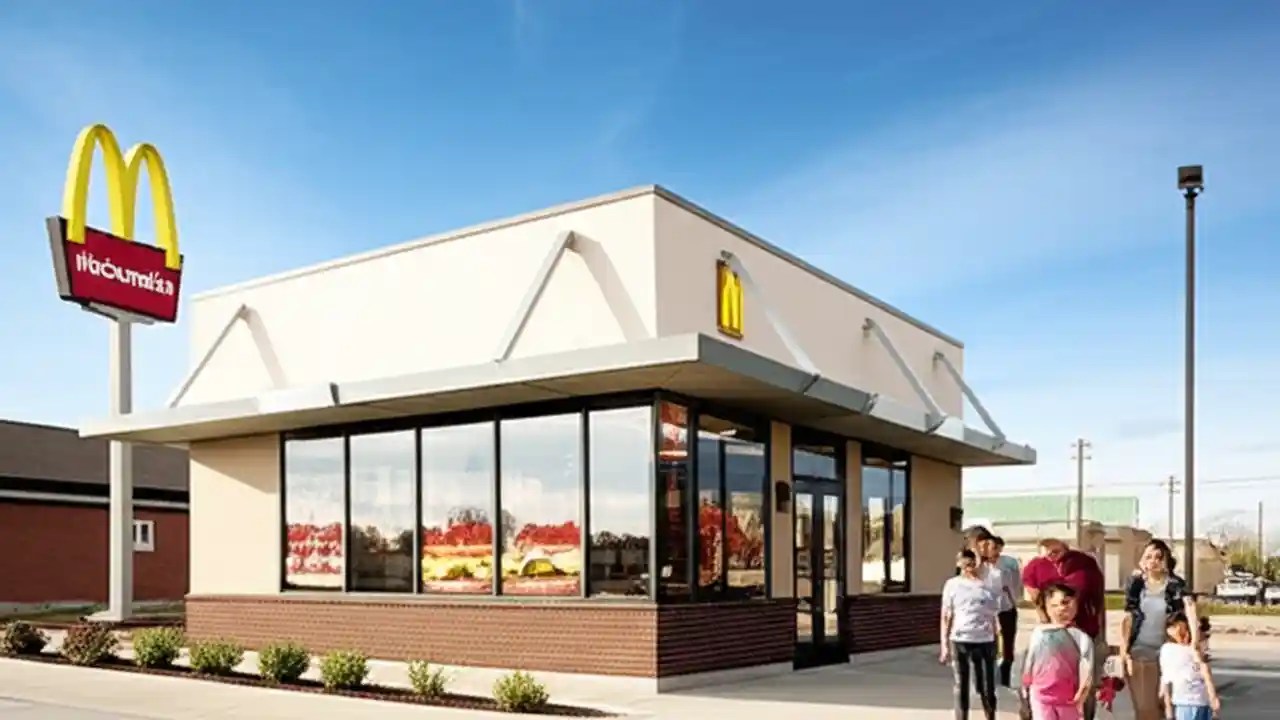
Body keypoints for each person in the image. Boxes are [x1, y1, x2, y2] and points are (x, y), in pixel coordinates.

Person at [1023, 538, 1106, 720]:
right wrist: (1046, 620)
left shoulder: (1085, 563)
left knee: (1084, 678)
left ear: (1064, 546)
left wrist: (1101, 633)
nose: (1050, 553)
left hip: (1084, 627)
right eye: (1045, 548)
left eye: (1054, 548)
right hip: (1052, 631)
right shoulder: (1036, 566)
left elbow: (1098, 600)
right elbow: (1034, 594)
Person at [1120, 539, 1199, 720]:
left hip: (1169, 651)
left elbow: (1190, 609)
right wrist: (1124, 651)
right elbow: (1128, 617)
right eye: (1148, 557)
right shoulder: (1136, 584)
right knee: (1144, 707)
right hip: (1140, 650)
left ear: (1166, 560)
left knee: (1165, 706)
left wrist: (1194, 642)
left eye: (1158, 557)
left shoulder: (1175, 585)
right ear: (1141, 561)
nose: (1153, 561)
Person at [1020, 582, 1095, 720]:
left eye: (1066, 603)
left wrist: (1081, 694)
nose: (1061, 609)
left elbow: (1087, 668)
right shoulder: (1038, 633)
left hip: (1069, 699)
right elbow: (1030, 661)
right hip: (1040, 697)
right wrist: (1025, 689)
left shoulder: (1080, 637)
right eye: (1054, 605)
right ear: (1046, 607)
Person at [941, 549, 999, 720]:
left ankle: (990, 715)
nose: (969, 568)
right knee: (961, 684)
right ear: (958, 564)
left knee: (987, 686)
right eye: (965, 564)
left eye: (972, 564)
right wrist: (944, 644)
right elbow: (946, 615)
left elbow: (994, 616)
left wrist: (997, 641)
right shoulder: (952, 585)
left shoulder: (987, 586)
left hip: (985, 639)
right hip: (960, 639)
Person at [1159, 613, 1220, 720]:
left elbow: (1206, 675)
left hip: (1203, 703)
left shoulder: (1196, 651)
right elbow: (1166, 680)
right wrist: (1168, 711)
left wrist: (1212, 698)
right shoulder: (1170, 649)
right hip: (1185, 703)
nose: (1185, 635)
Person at [992, 535, 1023, 687]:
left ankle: (1005, 675)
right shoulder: (982, 565)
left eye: (997, 547)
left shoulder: (1009, 563)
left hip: (1007, 607)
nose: (995, 551)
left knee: (1008, 644)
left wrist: (1014, 599)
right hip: (989, 609)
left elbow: (1017, 584)